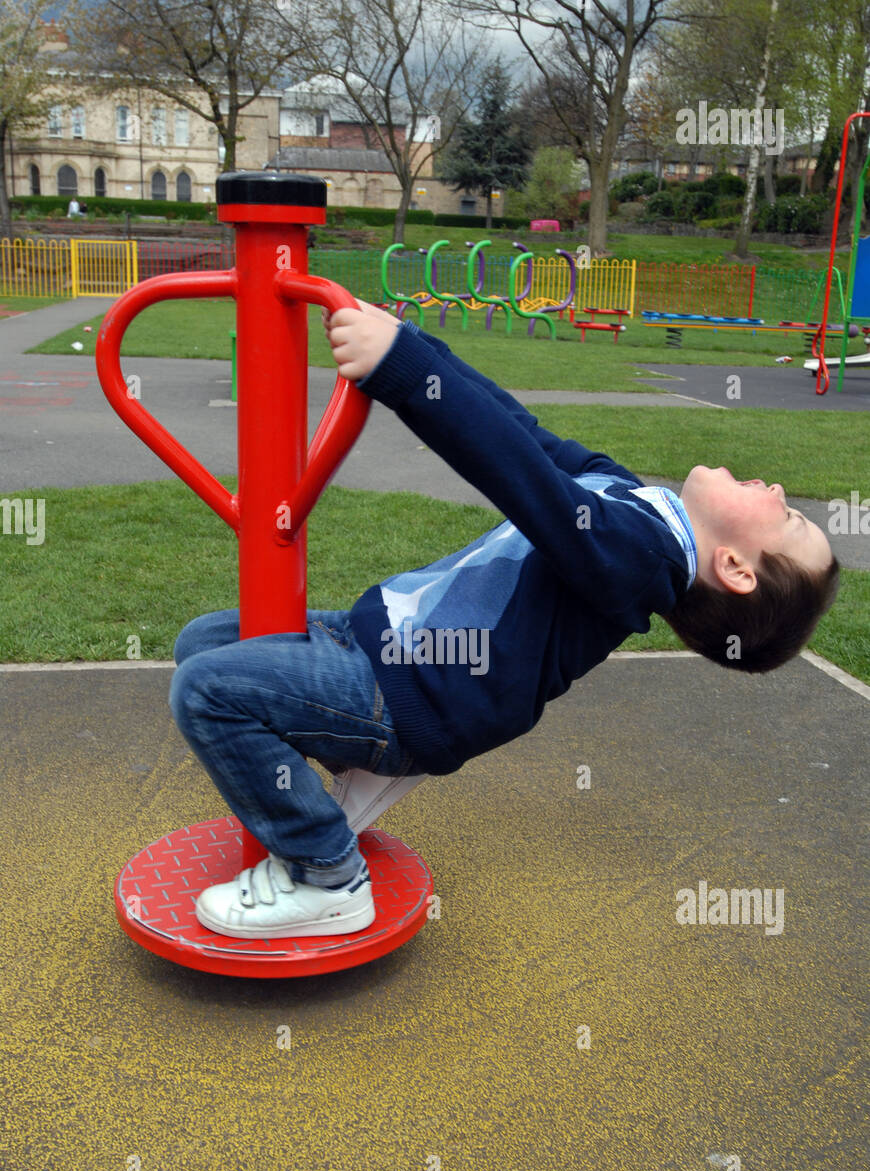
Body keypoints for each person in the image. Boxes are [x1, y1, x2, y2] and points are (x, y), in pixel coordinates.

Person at [169, 300, 839, 940]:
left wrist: (404, 370)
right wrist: (420, 347)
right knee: (202, 642)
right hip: (374, 641)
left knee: (207, 691)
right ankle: (353, 776)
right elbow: (523, 432)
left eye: (788, 519)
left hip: (405, 699)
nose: (779, 491)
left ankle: (326, 875)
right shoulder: (639, 505)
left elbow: (515, 471)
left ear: (737, 569)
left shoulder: (637, 561)